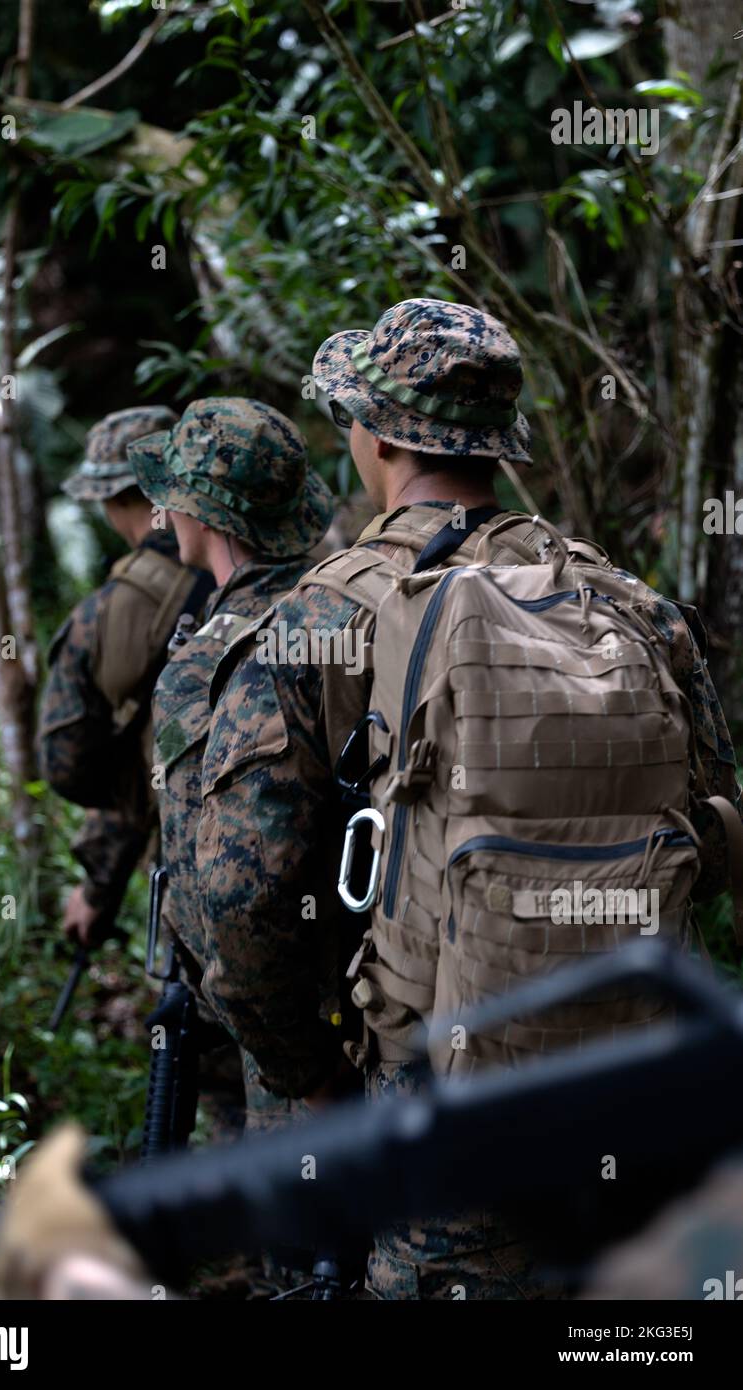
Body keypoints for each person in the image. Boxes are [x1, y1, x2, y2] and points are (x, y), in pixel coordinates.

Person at [197, 298, 742, 1299]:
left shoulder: (322, 617)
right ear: (497, 446)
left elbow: (240, 891)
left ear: (372, 436)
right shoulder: (627, 605)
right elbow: (705, 831)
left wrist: (303, 1072)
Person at [127, 397, 336, 1136]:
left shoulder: (205, 667)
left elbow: (222, 900)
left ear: (203, 518)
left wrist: (296, 1067)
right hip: (412, 997)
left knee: (311, 1241)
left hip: (301, 1034)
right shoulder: (356, 609)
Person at [38, 407, 212, 950]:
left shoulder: (103, 617)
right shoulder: (260, 564)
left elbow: (71, 765)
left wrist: (97, 883)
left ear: (114, 501)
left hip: (187, 864)